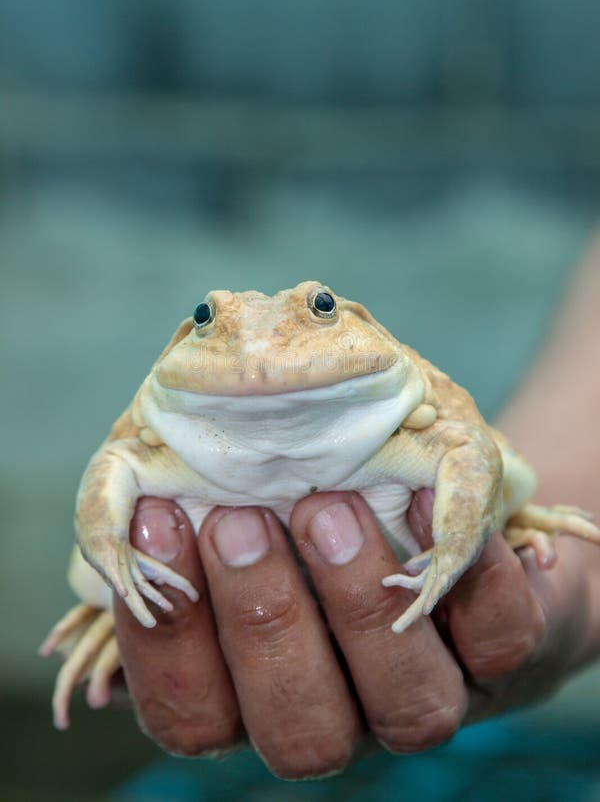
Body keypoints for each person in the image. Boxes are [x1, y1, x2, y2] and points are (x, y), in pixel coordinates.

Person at [113, 228, 600, 784]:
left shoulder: (423, 434)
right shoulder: (154, 442)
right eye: (207, 320)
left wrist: (570, 570)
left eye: (320, 309)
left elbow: (474, 452)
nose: (260, 352)